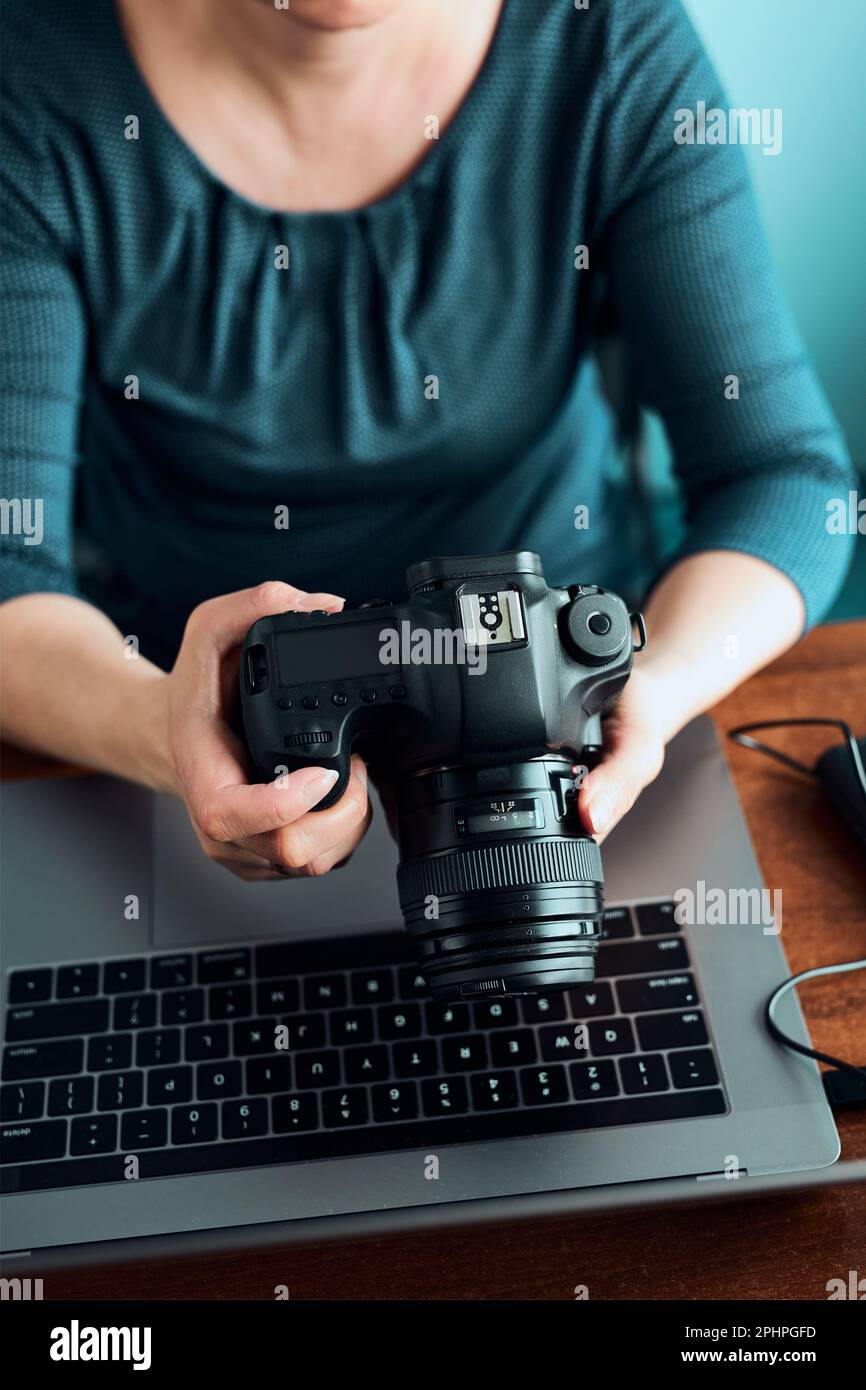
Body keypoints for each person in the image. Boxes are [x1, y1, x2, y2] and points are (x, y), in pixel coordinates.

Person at [0, 0, 855, 882]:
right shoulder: (32, 75)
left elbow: (788, 480)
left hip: (559, 768)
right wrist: (167, 732)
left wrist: (640, 694)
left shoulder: (604, 40)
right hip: (178, 749)